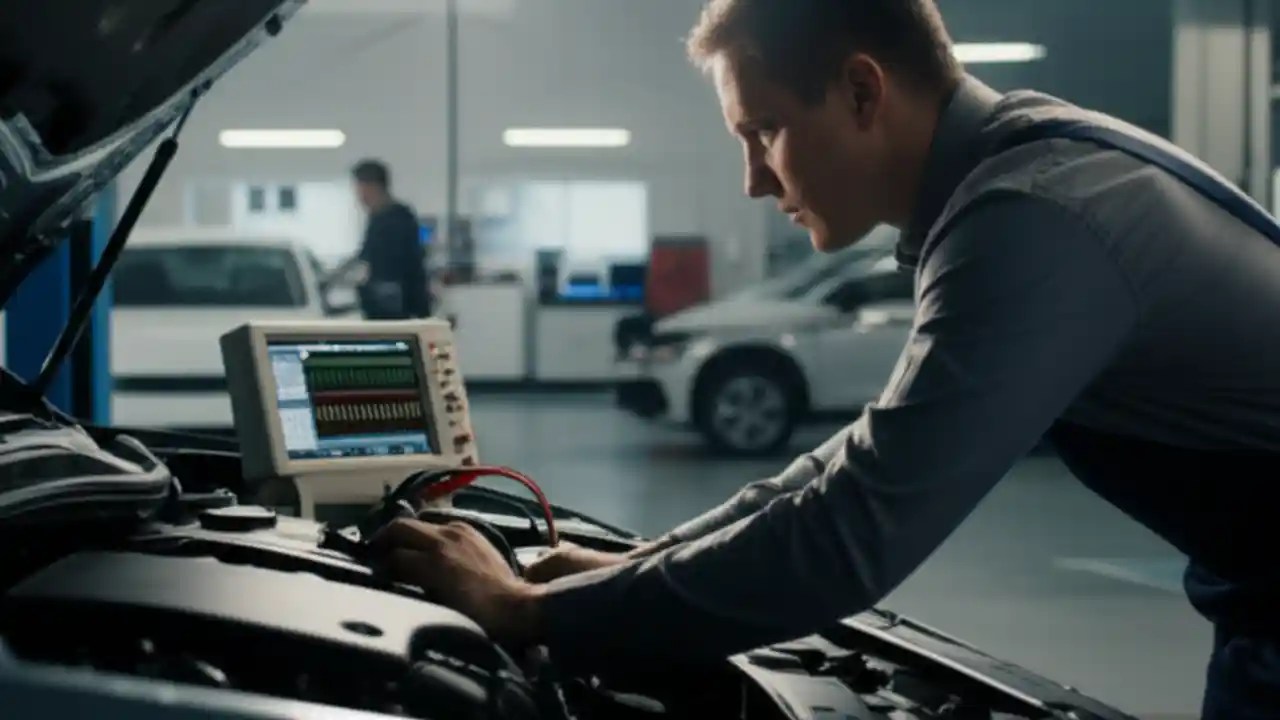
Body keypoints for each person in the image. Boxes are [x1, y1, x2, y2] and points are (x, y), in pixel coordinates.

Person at [367, 1, 1280, 716]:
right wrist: (638, 566)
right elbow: (849, 462)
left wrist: (531, 613)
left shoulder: (1033, 220)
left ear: (859, 91)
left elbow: (851, 534)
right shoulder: (1020, 170)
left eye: (761, 130)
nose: (753, 179)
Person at [346, 159, 431, 320]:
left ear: (373, 187)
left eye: (360, 189)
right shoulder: (380, 218)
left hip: (395, 310)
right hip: (388, 307)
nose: (359, 197)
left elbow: (408, 268)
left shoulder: (395, 220)